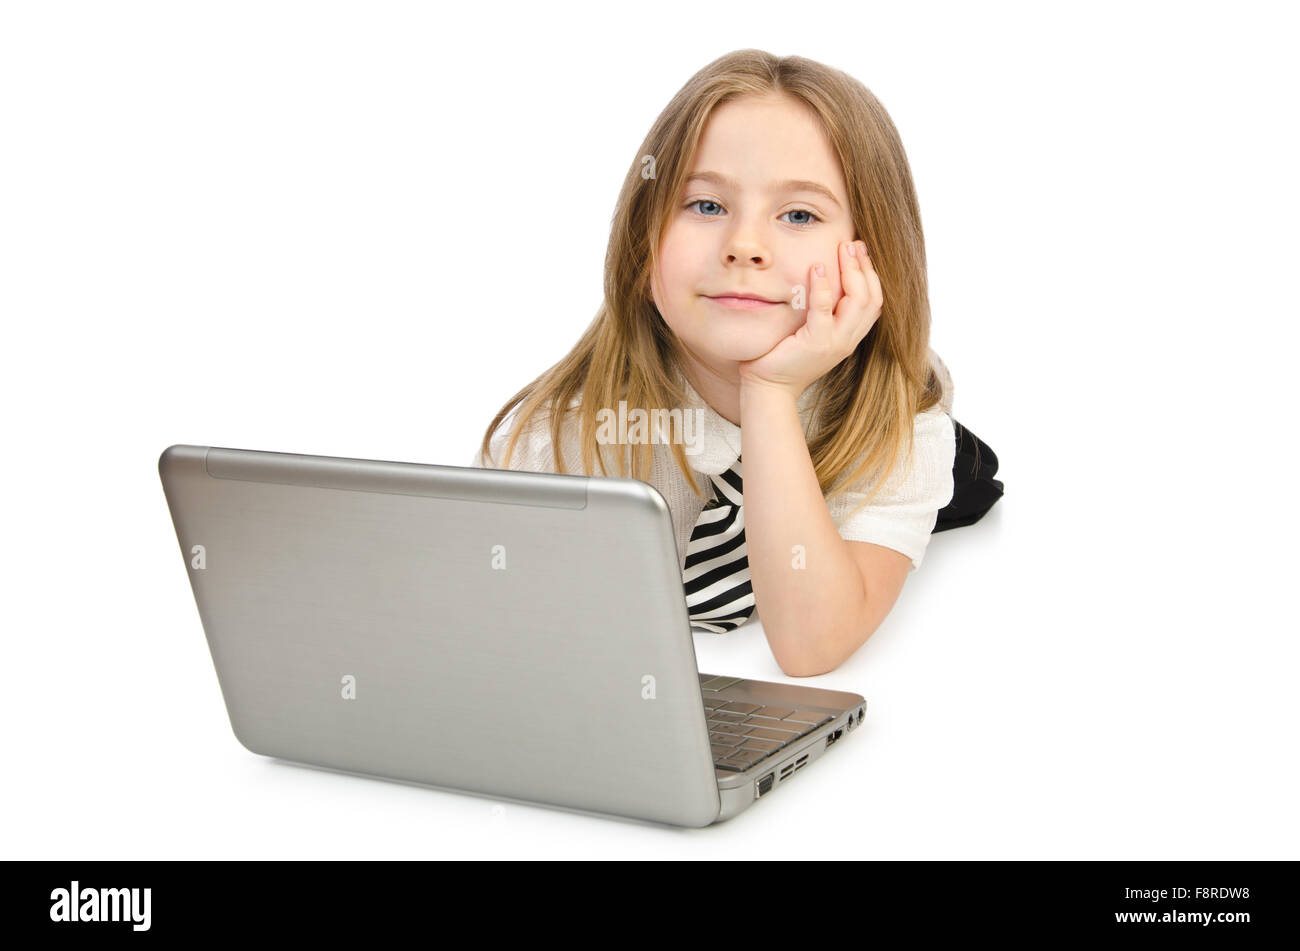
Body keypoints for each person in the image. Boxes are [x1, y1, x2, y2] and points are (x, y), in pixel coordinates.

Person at [470, 49, 1001, 676]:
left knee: (968, 479)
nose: (745, 246)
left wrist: (771, 391)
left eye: (799, 214)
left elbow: (811, 646)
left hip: (844, 419)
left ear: (871, 256)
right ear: (644, 251)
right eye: (706, 206)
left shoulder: (902, 426)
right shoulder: (556, 439)